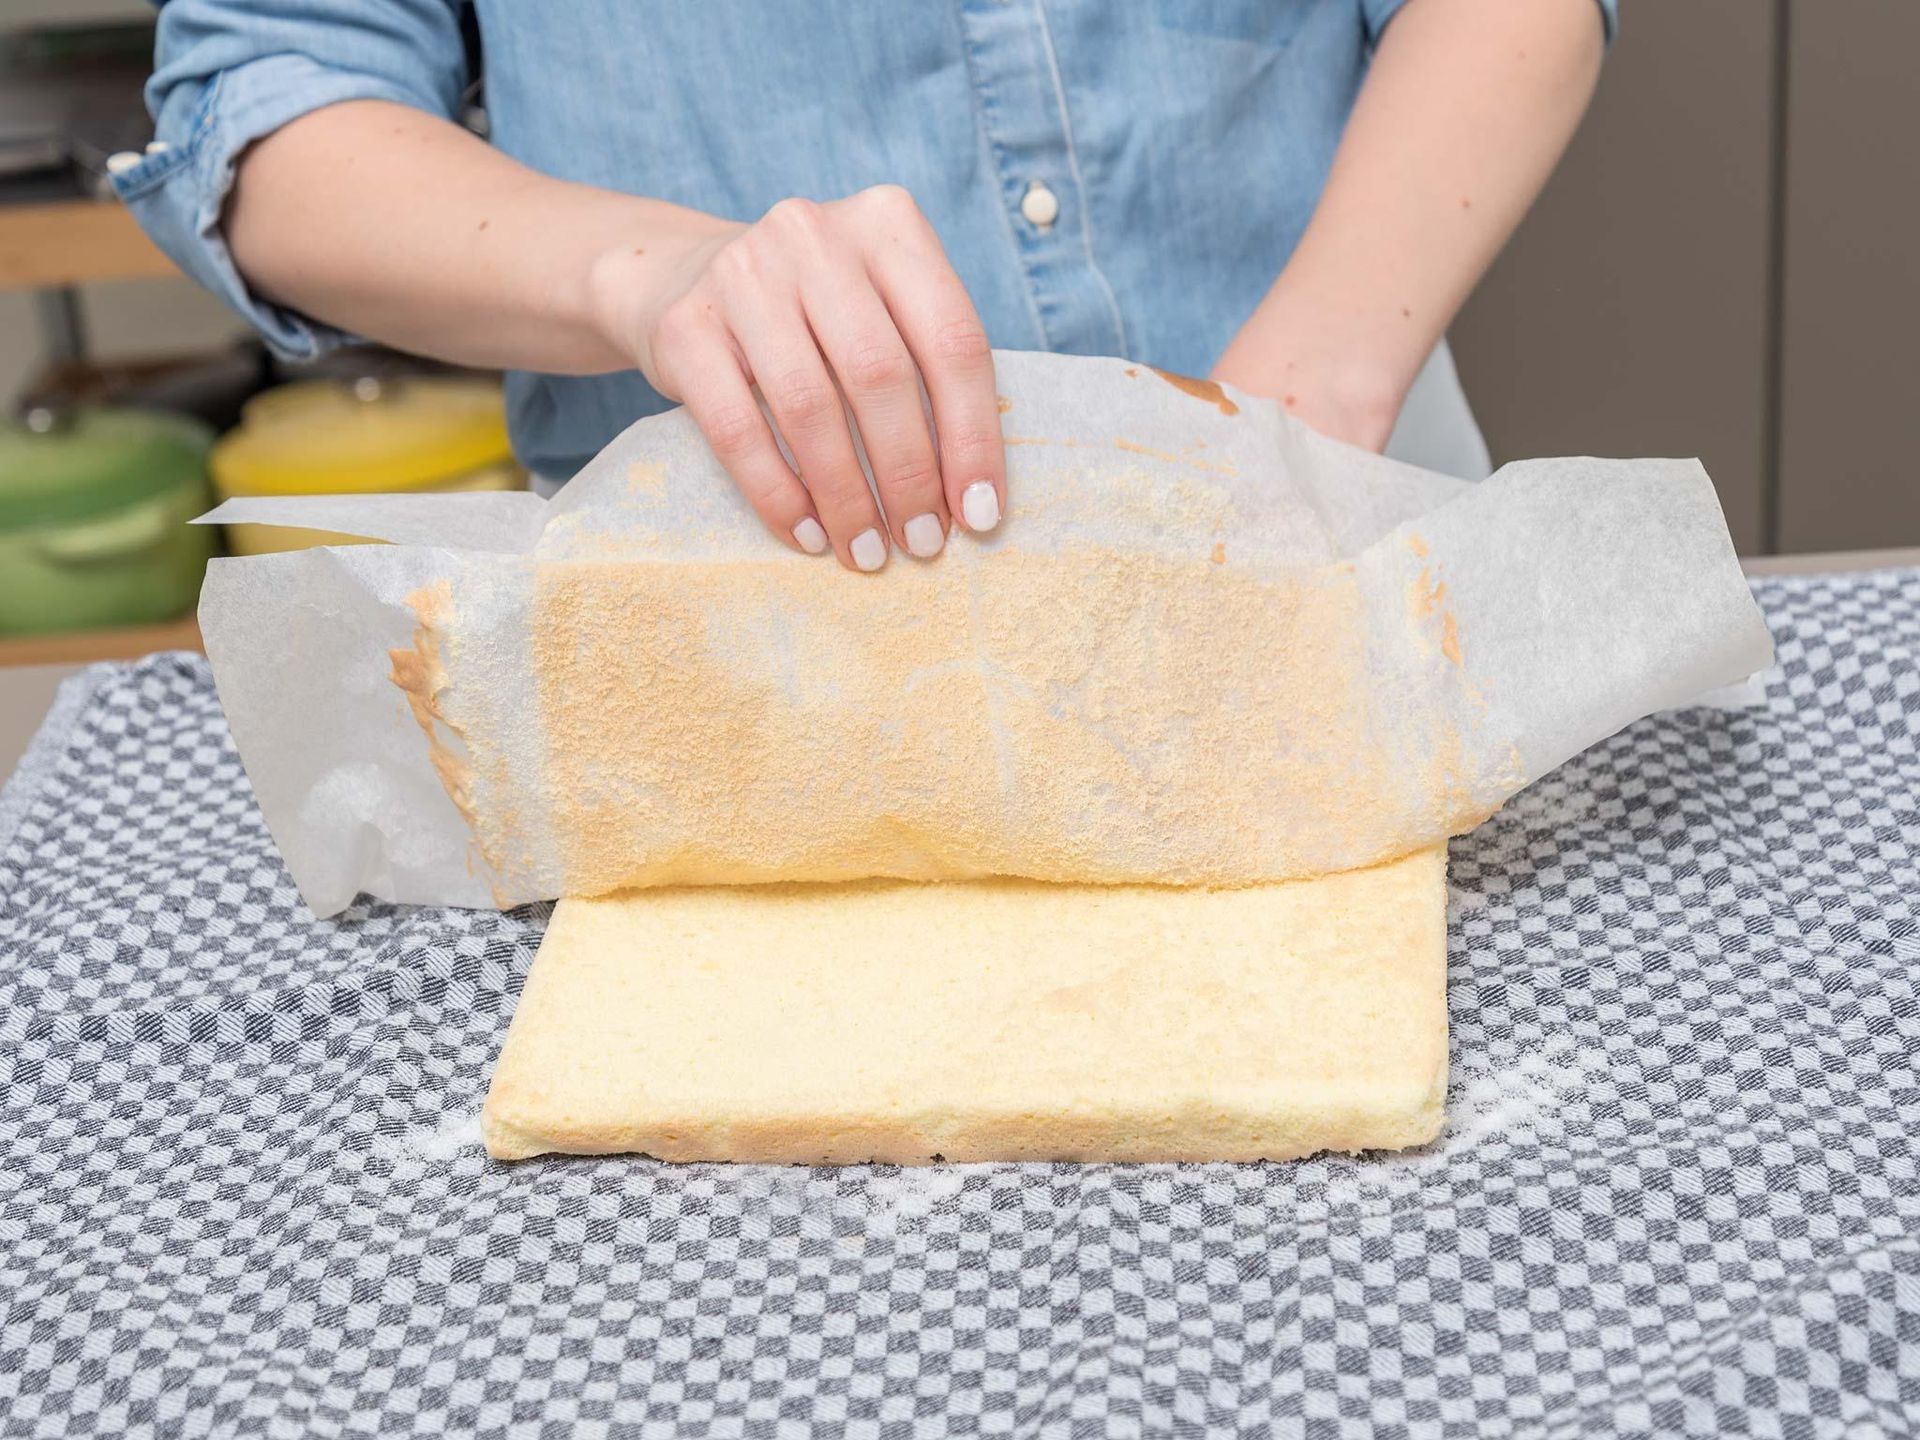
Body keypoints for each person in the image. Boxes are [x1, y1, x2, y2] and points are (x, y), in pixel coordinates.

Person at [120, 1, 1611, 572]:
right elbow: (271, 102)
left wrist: (1334, 347)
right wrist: (650, 274)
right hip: (741, 586)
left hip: (1339, 504)